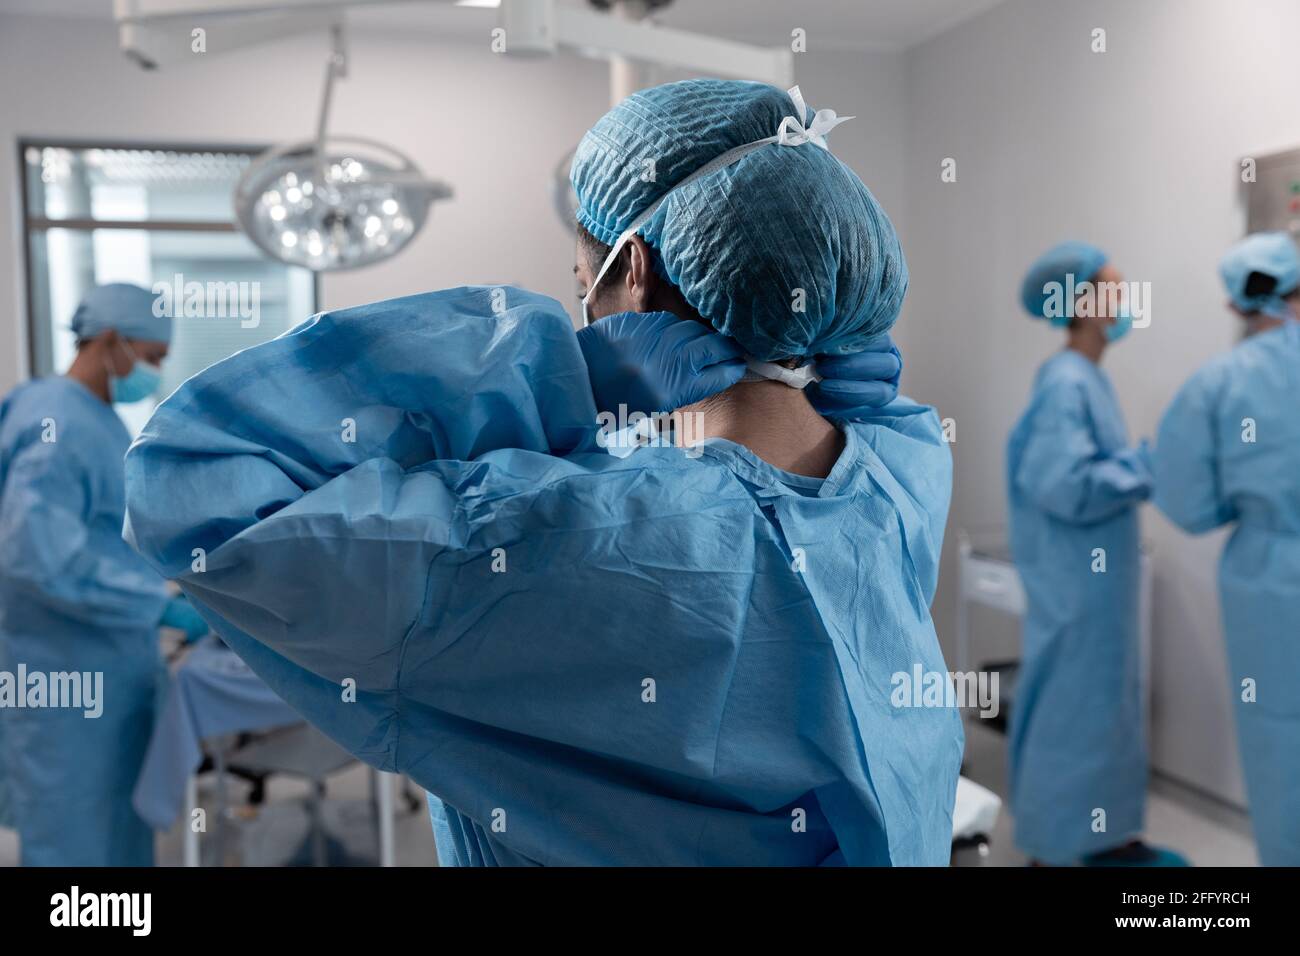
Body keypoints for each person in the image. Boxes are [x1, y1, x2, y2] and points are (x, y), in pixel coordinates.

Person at [123, 80, 963, 866]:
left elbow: (194, 483)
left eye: (581, 290)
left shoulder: (535, 539)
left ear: (629, 273)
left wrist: (544, 364)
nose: (582, 313)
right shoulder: (901, 473)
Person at [0, 282, 206, 866]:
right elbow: (37, 554)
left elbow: (100, 535)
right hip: (64, 682)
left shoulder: (98, 420)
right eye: (153, 356)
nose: (153, 372)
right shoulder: (56, 422)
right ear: (112, 340)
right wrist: (157, 604)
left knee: (117, 833)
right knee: (73, 837)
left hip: (110, 668)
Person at [1006, 242, 1184, 866]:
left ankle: (1103, 835)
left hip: (1095, 585)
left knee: (1102, 703)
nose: (1125, 301)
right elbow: (1065, 482)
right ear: (1079, 303)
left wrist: (1138, 464)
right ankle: (1060, 843)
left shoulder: (1089, 379)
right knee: (1074, 705)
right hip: (1077, 584)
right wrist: (1145, 466)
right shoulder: (1065, 381)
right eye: (1113, 288)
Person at [1152, 231, 1300, 866]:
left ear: (1235, 304)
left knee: (1278, 740)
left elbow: (1187, 501)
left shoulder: (1219, 383)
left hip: (1267, 583)